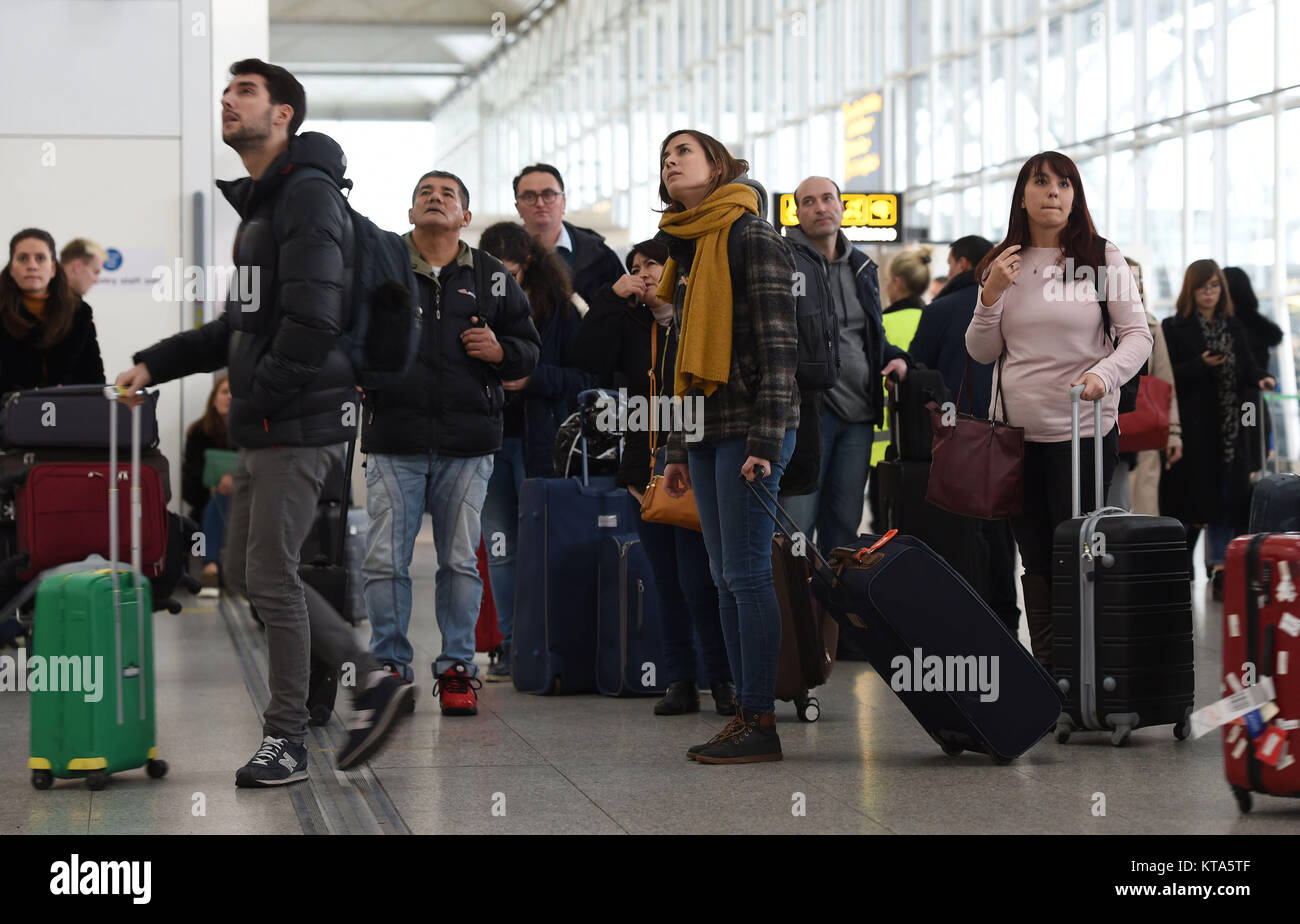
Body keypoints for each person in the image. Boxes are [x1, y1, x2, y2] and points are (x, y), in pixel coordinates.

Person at [115, 59, 413, 786]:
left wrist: (264, 399)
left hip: (296, 423)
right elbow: (238, 330)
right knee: (252, 571)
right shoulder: (267, 207)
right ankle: (370, 677)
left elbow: (313, 325)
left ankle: (292, 736)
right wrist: (155, 362)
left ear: (283, 114)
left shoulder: (306, 199)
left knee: (271, 574)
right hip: (271, 423)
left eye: (244, 91)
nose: (227, 100)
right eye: (226, 91)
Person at [965, 151, 1152, 672]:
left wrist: (1104, 375)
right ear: (1022, 194)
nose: (1054, 192)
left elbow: (1137, 335)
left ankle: (1083, 666)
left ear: (1076, 196)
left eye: (1065, 183)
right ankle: (1052, 672)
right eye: (1042, 182)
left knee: (1078, 548)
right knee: (1036, 554)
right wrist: (991, 295)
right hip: (1016, 436)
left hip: (1086, 429)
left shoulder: (1102, 257)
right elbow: (981, 351)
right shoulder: (1001, 263)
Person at [361, 173, 540, 714]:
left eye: (448, 195)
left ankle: (458, 668)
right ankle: (390, 666)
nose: (435, 199)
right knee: (384, 562)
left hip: (469, 442)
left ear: (466, 217)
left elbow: (529, 347)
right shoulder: (381, 268)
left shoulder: (490, 277)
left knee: (460, 562)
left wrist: (500, 351)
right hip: (394, 438)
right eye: (424, 193)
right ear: (411, 210)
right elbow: (344, 330)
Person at [655, 129, 798, 764]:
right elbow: (679, 356)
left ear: (717, 166)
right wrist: (677, 451)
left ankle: (759, 718)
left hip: (750, 432)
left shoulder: (749, 234)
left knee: (744, 574)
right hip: (709, 432)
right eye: (664, 156)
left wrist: (767, 440)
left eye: (682, 151)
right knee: (723, 578)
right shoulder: (686, 247)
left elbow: (779, 347)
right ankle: (746, 708)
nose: (669, 161)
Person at [571, 239, 735, 715]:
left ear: (678, 271)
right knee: (663, 581)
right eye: (635, 266)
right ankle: (680, 679)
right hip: (642, 475)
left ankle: (721, 680)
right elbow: (583, 354)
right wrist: (611, 294)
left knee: (700, 581)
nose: (643, 273)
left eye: (652, 264)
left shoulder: (700, 320)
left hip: (696, 468)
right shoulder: (630, 324)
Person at [476, 220, 592, 681]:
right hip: (488, 437)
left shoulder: (562, 310)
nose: (501, 283)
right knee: (500, 549)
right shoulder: (471, 303)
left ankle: (547, 641)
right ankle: (511, 645)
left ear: (528, 266)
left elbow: (588, 379)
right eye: (492, 273)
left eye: (509, 273)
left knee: (543, 548)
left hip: (542, 441)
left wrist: (533, 378)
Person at [776, 176, 908, 553]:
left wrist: (895, 358)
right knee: (796, 528)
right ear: (797, 213)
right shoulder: (784, 261)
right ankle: (796, 610)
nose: (820, 207)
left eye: (828, 199)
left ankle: (835, 612)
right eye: (809, 202)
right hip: (805, 415)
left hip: (859, 416)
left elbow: (870, 334)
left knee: (845, 525)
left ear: (841, 207)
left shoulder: (862, 266)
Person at [909, 234, 1021, 634]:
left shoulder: (940, 310)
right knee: (1001, 530)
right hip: (1008, 432)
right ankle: (1005, 618)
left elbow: (920, 372)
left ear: (958, 263)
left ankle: (959, 615)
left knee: (956, 528)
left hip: (955, 437)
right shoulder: (1011, 303)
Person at [1160, 260, 1274, 598]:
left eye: (1214, 286)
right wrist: (1200, 365)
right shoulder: (1174, 327)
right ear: (1191, 290)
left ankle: (1223, 568)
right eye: (1203, 287)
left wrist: (1261, 379)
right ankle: (1179, 570)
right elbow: (1167, 376)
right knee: (1190, 503)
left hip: (1231, 430)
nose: (1210, 293)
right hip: (1194, 430)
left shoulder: (1232, 326)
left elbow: (1249, 369)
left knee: (1228, 500)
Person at [1108, 258, 1182, 516]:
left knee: (1142, 506)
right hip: (1104, 423)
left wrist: (1173, 432)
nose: (1136, 285)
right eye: (1129, 278)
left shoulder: (1151, 325)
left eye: (1138, 279)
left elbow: (1164, 380)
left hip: (1143, 428)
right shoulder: (1094, 321)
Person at [0, 228, 105, 395]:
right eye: (23, 258)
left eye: (40, 258)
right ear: (12, 268)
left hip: (67, 414)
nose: (32, 266)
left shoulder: (79, 313)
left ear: (54, 268)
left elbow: (94, 380)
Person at [512, 163, 624, 305]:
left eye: (548, 195)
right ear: (518, 207)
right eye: (529, 196)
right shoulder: (503, 258)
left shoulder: (600, 256)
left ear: (563, 203)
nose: (540, 203)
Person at [869, 246, 931, 469]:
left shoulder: (881, 326)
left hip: (881, 446)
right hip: (925, 439)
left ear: (898, 282)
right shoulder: (932, 321)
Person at [1224, 266, 1282, 474]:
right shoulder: (1260, 326)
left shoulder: (1227, 326)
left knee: (1242, 451)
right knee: (1253, 450)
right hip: (1254, 400)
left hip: (1238, 400)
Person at [181, 373, 232, 592]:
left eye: (234, 393)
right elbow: (189, 487)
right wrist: (212, 488)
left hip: (247, 502)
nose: (230, 397)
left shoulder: (252, 434)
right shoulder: (198, 434)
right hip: (207, 503)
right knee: (218, 501)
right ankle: (210, 565)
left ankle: (211, 566)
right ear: (214, 398)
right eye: (224, 392)